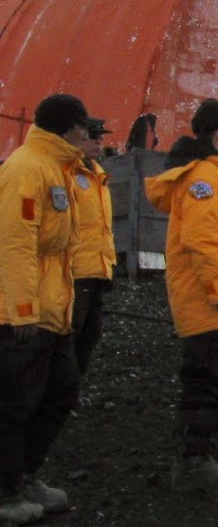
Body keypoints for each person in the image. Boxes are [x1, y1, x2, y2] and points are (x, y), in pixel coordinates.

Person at [144, 98, 218, 492]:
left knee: (214, 380)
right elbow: (202, 241)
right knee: (210, 381)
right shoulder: (206, 180)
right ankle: (193, 461)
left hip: (215, 304)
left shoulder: (214, 176)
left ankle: (198, 454)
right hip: (212, 306)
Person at [0, 94, 99, 526]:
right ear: (71, 128)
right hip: (25, 314)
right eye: (84, 127)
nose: (88, 134)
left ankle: (23, 475)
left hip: (53, 310)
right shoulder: (27, 169)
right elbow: (15, 244)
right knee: (15, 403)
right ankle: (4, 491)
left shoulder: (57, 168)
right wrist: (21, 310)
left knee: (60, 391)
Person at [68, 116, 115, 377]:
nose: (99, 141)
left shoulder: (98, 176)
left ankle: (70, 391)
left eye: (101, 137)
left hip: (97, 270)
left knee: (89, 335)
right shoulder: (69, 173)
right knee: (70, 336)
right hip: (75, 271)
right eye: (94, 136)